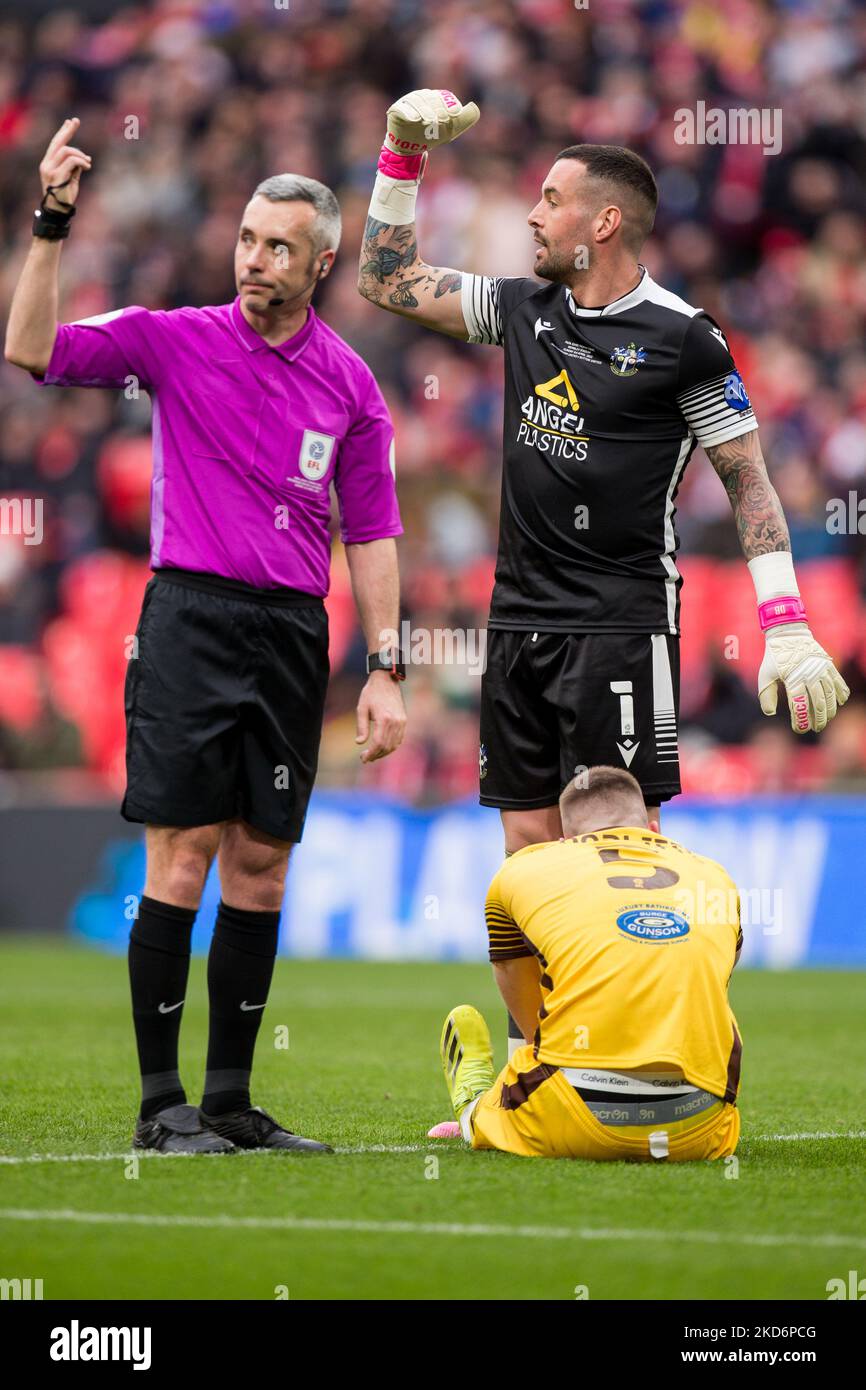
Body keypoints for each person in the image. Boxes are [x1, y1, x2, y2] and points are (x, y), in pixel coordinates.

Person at [358, 88, 848, 1059]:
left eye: (549, 197)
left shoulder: (683, 337)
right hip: (515, 627)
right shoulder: (522, 308)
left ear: (604, 220)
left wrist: (783, 620)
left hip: (621, 626)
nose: (531, 214)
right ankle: (529, 1072)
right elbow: (387, 279)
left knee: (620, 860)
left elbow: (745, 478)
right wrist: (397, 156)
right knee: (523, 862)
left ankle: (644, 1055)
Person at [5, 118, 407, 1155]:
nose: (253, 260)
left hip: (289, 632)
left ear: (320, 262)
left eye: (277, 247)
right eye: (244, 239)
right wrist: (50, 221)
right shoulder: (173, 338)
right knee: (178, 858)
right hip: (188, 617)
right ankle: (159, 1106)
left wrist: (385, 666)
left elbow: (369, 531)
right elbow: (30, 348)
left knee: (261, 867)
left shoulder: (352, 388)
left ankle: (228, 1102)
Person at [439, 765, 742, 1162]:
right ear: (654, 829)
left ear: (566, 840)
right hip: (701, 1131)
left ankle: (474, 1105)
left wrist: (538, 1048)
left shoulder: (524, 869)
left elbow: (512, 970)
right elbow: (715, 976)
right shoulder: (716, 876)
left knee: (489, 1114)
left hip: (569, 1116)